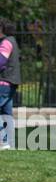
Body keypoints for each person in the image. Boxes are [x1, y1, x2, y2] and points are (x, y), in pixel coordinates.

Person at [0, 18, 19, 150]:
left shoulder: (6, 42)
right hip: (10, 84)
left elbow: (1, 61)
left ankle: (4, 141)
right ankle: (10, 144)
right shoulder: (13, 41)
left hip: (3, 83)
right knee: (7, 114)